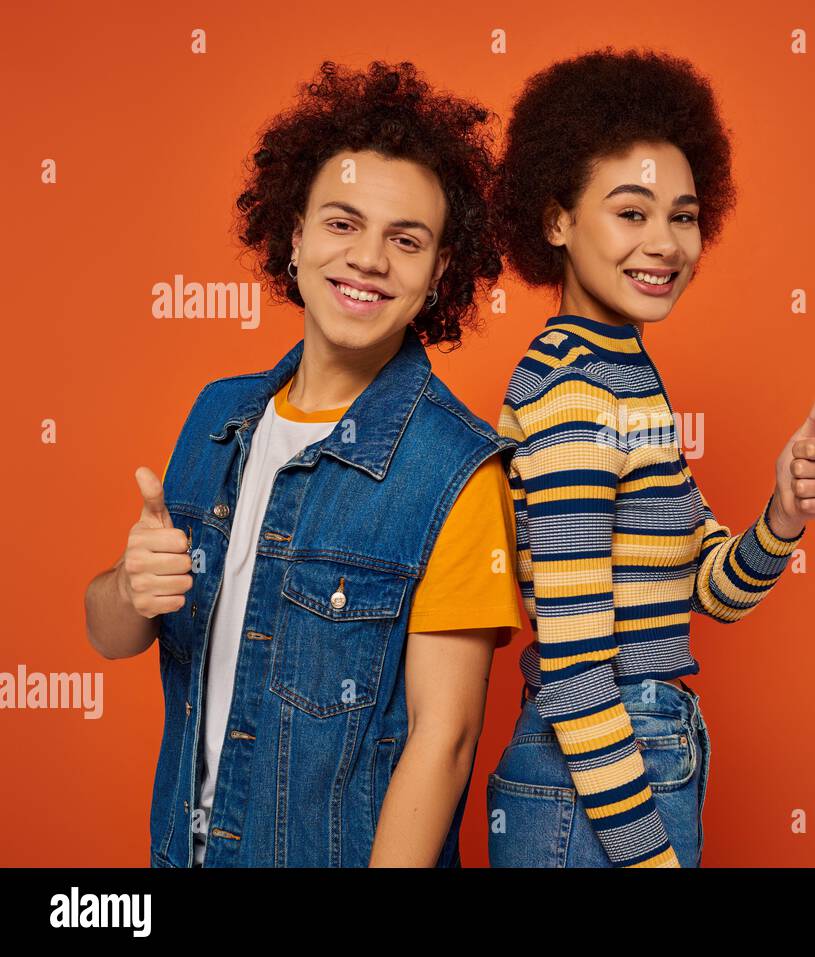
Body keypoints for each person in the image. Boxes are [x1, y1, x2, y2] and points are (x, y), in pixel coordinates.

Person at [82, 60, 522, 867]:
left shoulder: (458, 472)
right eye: (342, 223)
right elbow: (112, 634)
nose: (368, 260)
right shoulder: (217, 415)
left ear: (439, 275)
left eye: (406, 239)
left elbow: (446, 740)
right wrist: (126, 583)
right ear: (294, 235)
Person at [485, 48, 815, 867]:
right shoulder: (579, 395)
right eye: (631, 212)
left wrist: (781, 517)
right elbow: (577, 669)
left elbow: (707, 594)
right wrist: (647, 855)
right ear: (556, 222)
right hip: (601, 777)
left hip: (636, 757)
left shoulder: (623, 372)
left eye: (682, 215)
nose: (665, 243)